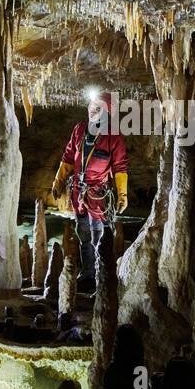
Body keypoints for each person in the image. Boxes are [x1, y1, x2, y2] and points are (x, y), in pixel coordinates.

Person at [50, 91, 128, 294]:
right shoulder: (80, 130)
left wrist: (122, 195)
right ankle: (87, 274)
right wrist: (58, 181)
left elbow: (120, 167)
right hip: (78, 192)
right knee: (83, 233)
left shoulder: (113, 137)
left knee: (98, 235)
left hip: (98, 194)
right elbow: (68, 157)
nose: (93, 110)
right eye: (92, 106)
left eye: (98, 108)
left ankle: (100, 275)